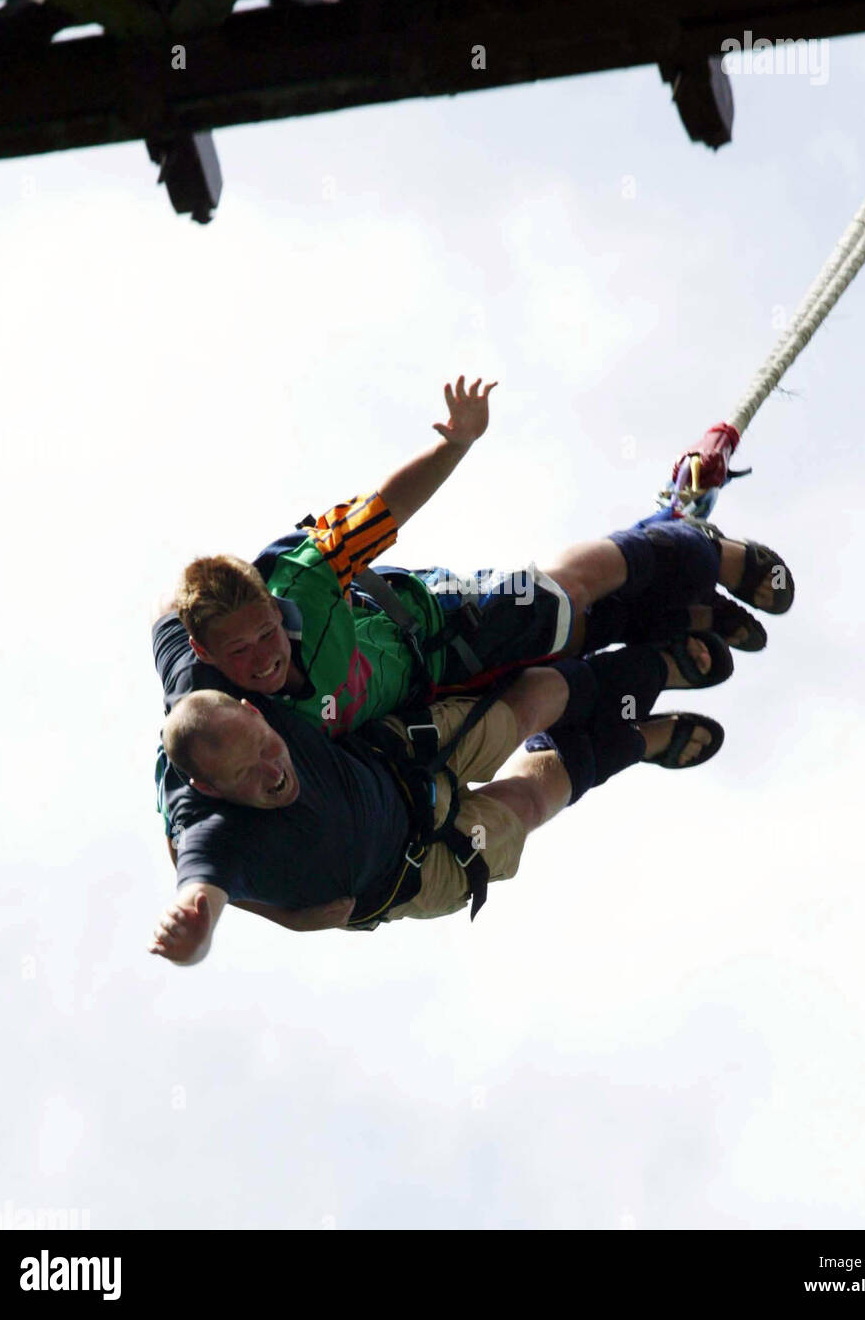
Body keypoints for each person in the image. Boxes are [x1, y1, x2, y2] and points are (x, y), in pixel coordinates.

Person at [155, 375, 793, 740]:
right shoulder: (226, 720)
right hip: (424, 695)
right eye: (240, 652)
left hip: (429, 621)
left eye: (266, 632)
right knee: (559, 662)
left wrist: (456, 446)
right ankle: (672, 612)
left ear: (273, 604)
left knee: (554, 600)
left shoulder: (303, 579)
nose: (264, 656)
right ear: (208, 654)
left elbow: (388, 507)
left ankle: (684, 534)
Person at [148, 630, 731, 965]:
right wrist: (240, 925)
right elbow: (201, 902)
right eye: (247, 776)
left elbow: (170, 611)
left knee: (531, 700)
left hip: (400, 757)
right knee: (529, 802)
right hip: (412, 873)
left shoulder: (201, 688)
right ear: (210, 788)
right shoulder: (210, 835)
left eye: (266, 744)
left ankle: (651, 669)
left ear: (252, 710)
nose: (273, 770)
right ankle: (638, 738)